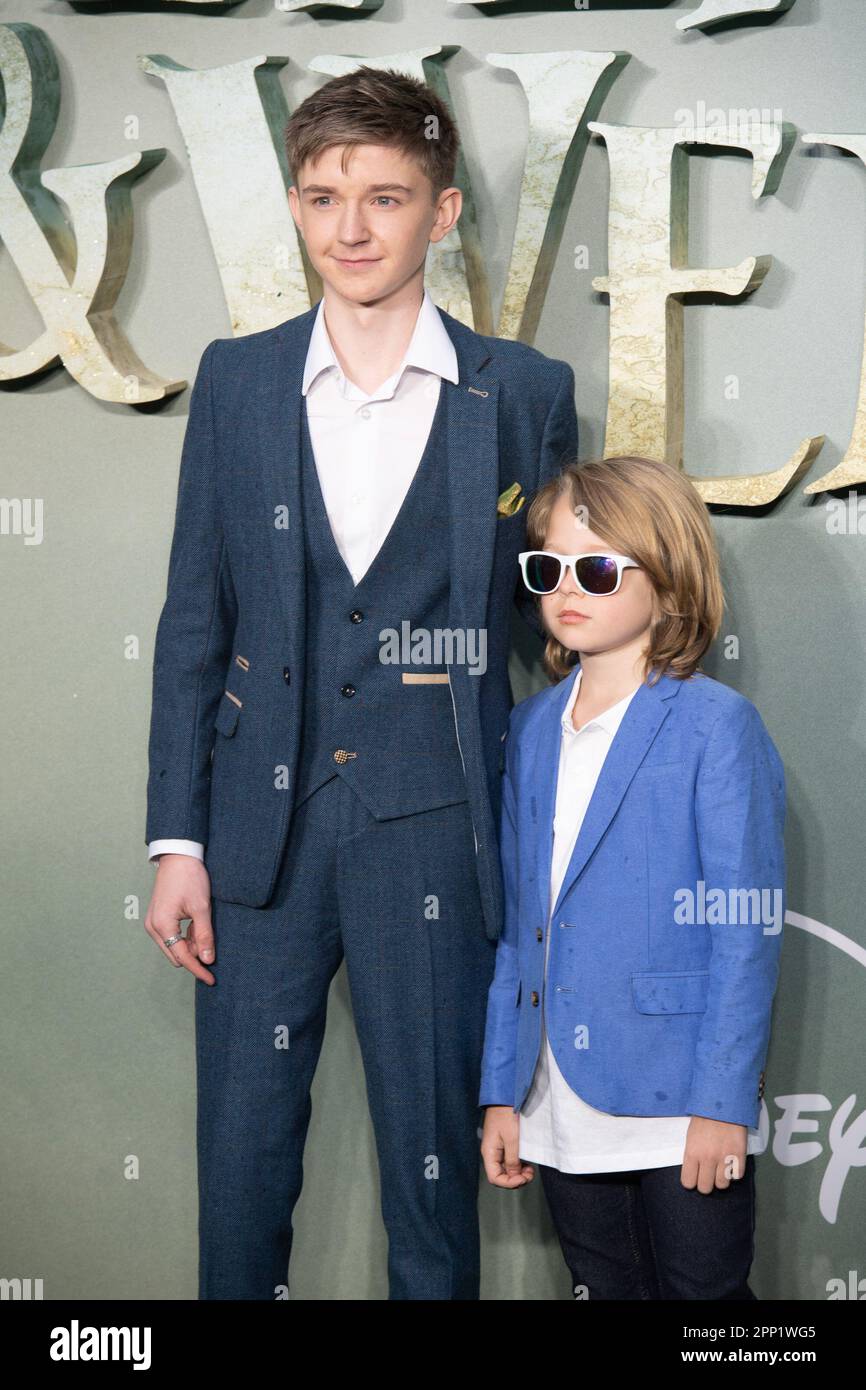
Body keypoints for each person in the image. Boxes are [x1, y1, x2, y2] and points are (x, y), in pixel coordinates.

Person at [143, 65, 578, 1300]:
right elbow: (192, 620)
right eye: (324, 195)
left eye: (385, 197)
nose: (350, 227)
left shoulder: (523, 393)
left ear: (440, 215)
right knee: (237, 1171)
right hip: (251, 836)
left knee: (432, 1187)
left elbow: (542, 616)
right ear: (292, 203)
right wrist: (176, 838)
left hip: (434, 828)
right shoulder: (235, 380)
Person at [479, 454, 786, 1300]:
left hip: (677, 1097)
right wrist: (503, 1090)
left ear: (670, 576)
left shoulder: (717, 726)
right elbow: (519, 925)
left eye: (600, 568)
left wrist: (724, 1103)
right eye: (547, 569)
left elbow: (743, 933)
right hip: (559, 1094)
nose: (568, 589)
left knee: (709, 1304)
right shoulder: (533, 727)